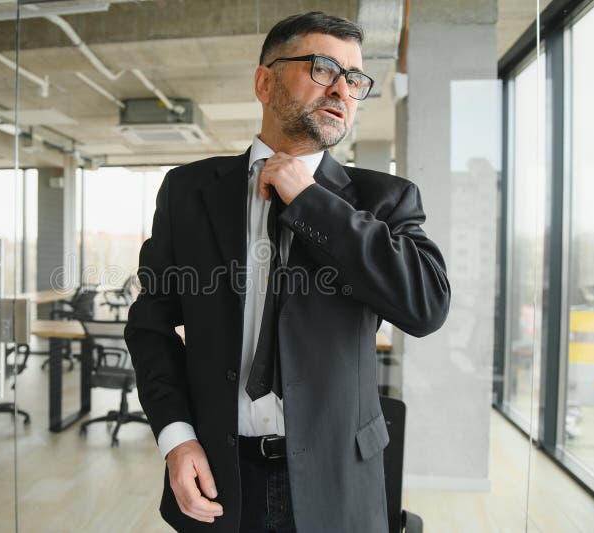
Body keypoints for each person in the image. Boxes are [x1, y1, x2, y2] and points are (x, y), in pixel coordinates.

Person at [124, 11, 450, 533]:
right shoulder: (188, 192)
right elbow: (150, 326)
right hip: (218, 476)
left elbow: (426, 306)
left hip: (338, 482)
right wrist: (176, 437)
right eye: (323, 68)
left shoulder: (384, 199)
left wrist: (312, 201)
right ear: (264, 80)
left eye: (355, 79)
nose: (343, 89)